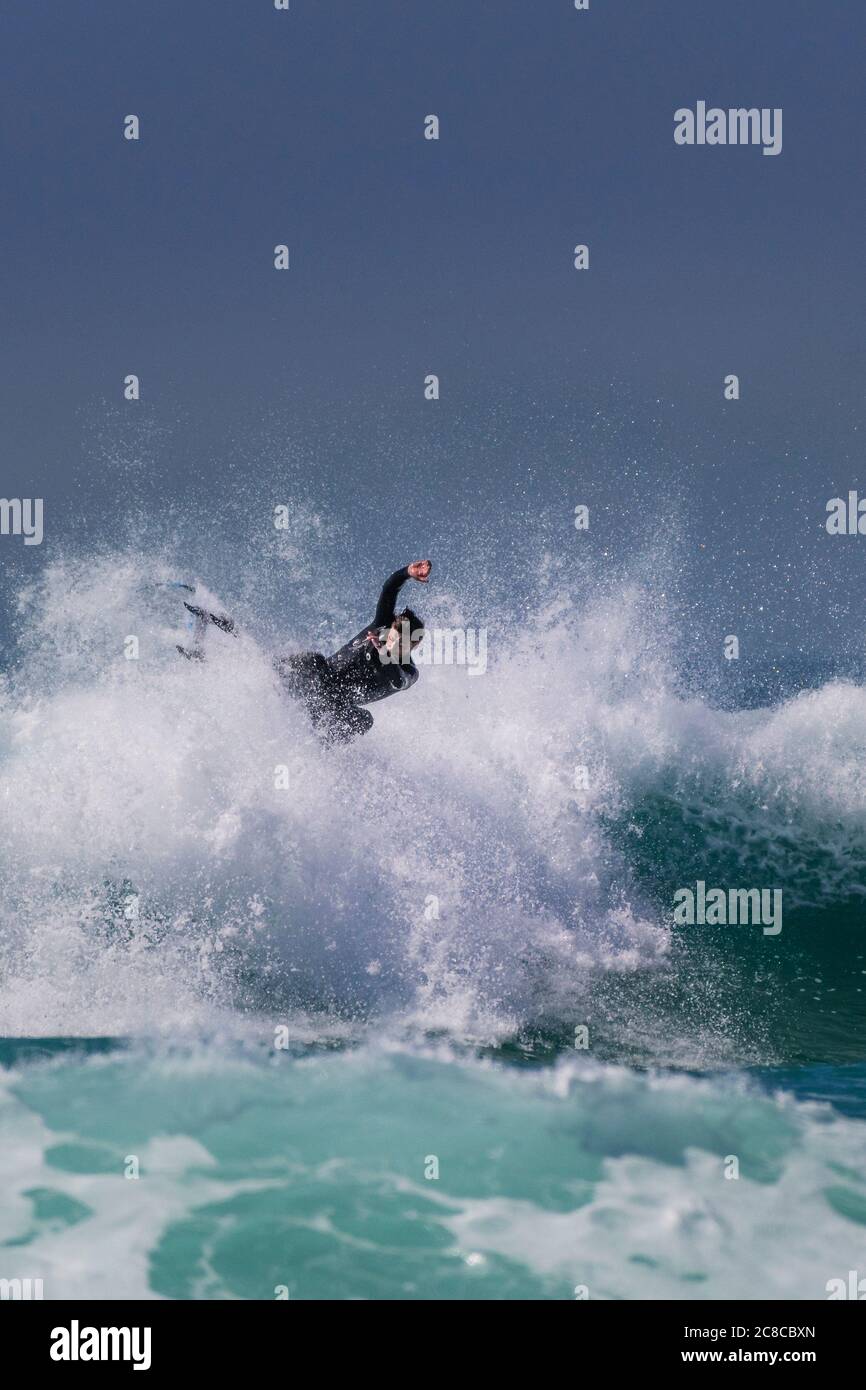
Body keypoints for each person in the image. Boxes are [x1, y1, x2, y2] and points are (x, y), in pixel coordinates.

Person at [275, 559, 431, 742]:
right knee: (314, 660)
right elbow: (389, 590)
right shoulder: (381, 625)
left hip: (334, 705)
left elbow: (399, 681)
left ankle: (319, 751)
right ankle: (265, 670)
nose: (394, 646)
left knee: (364, 721)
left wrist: (383, 653)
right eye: (393, 639)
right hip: (318, 678)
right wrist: (407, 572)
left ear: (414, 646)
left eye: (402, 646)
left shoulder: (408, 671)